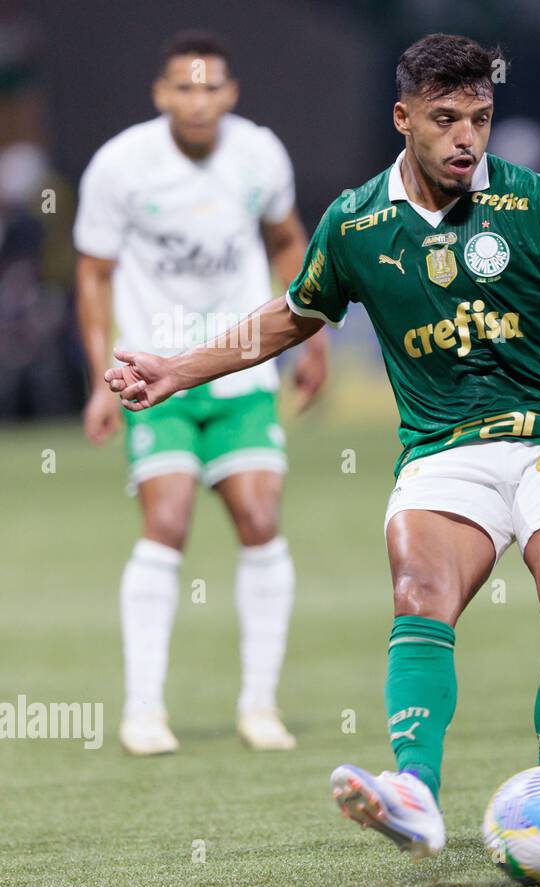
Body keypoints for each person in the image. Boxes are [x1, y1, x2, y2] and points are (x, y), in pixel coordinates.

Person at [103, 33, 540, 865]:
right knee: (419, 588)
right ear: (402, 116)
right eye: (446, 119)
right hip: (444, 449)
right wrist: (177, 369)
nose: (466, 140)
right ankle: (415, 794)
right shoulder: (355, 222)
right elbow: (290, 316)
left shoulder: (535, 203)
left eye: (481, 119)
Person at [75, 30, 328, 755]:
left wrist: (312, 340)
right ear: (161, 95)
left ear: (230, 92)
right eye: (183, 88)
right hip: (157, 375)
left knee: (259, 516)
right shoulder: (121, 166)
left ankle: (259, 707)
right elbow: (93, 275)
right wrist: (101, 377)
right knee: (170, 518)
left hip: (243, 368)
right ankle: (144, 711)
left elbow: (287, 242)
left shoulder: (259, 154)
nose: (198, 99)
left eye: (210, 86)